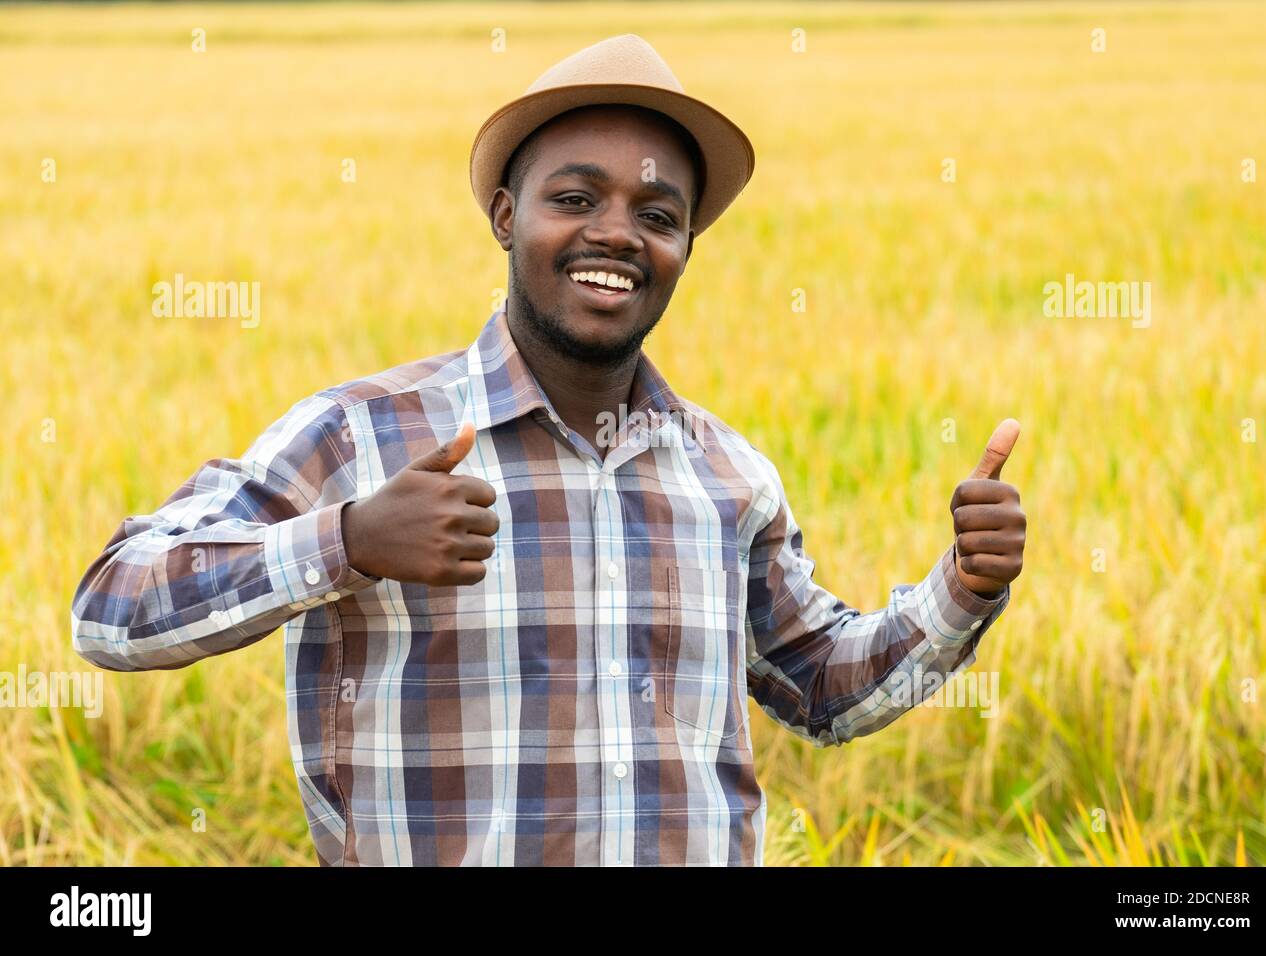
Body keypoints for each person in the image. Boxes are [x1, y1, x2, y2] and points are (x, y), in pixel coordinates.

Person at [71, 34, 1026, 866]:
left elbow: (823, 688)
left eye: (658, 217)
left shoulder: (726, 476)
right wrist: (350, 539)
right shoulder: (364, 436)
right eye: (575, 197)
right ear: (503, 218)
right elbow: (112, 608)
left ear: (686, 247)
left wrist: (963, 585)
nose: (616, 232)